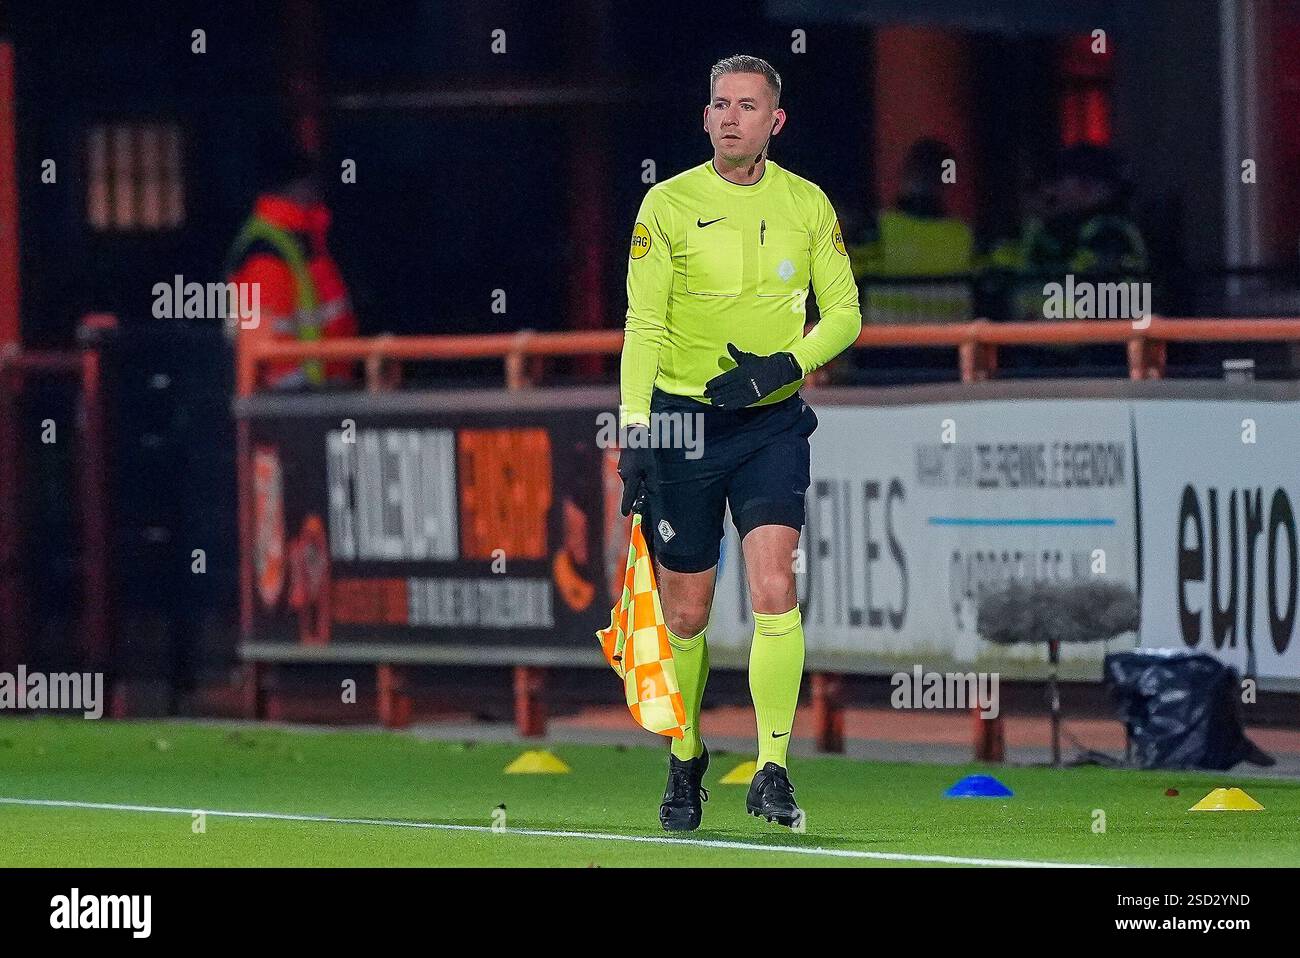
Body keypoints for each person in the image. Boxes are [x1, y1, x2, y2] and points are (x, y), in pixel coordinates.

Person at [616, 54, 862, 832]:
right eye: (718, 103)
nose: (729, 117)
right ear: (705, 116)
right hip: (683, 423)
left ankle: (773, 769)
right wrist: (633, 428)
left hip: (771, 422)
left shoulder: (808, 204)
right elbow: (643, 324)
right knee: (686, 616)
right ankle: (686, 757)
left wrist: (783, 368)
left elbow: (848, 314)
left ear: (774, 122)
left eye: (747, 106)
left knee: (773, 585)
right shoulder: (667, 202)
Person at [226, 142, 357, 389]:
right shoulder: (266, 254)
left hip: (322, 401)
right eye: (314, 182)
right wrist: (298, 405)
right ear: (298, 185)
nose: (319, 192)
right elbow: (270, 353)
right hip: (293, 409)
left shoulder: (305, 240)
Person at [850, 137, 974, 325]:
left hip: (886, 344)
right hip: (948, 345)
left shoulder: (876, 231)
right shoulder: (965, 236)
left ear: (905, 174)